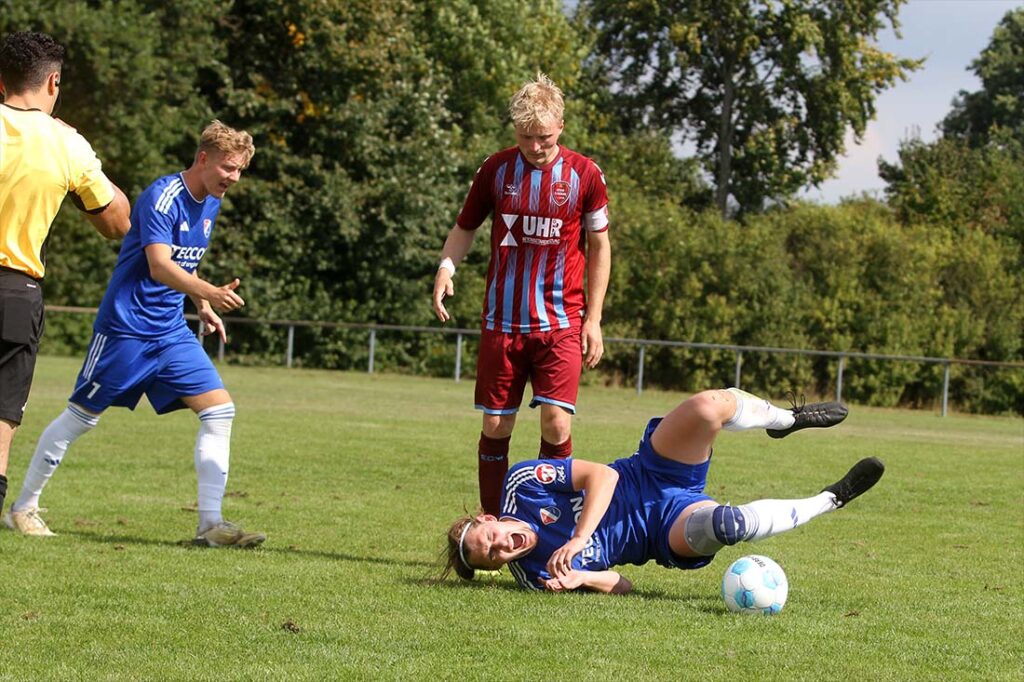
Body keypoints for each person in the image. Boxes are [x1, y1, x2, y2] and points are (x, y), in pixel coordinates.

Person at [3, 120, 264, 548]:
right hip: (127, 329)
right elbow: (161, 265)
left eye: (239, 171)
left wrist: (199, 304)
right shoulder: (162, 197)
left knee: (219, 411)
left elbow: (185, 261)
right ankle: (22, 508)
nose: (233, 178)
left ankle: (211, 525)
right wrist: (210, 293)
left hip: (170, 332)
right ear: (203, 159)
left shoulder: (212, 201)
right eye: (228, 168)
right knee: (80, 419)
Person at [443, 389, 883, 593]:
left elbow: (605, 477)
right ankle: (831, 499)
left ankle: (787, 421)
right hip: (661, 528)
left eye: (490, 539)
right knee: (726, 525)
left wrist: (578, 538)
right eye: (494, 558)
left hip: (648, 470)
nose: (502, 547)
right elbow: (626, 585)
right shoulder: (538, 578)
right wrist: (586, 578)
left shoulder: (521, 486)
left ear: (488, 519)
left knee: (709, 407)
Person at [432, 73, 612, 517]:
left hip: (561, 323)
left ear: (562, 128)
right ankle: (492, 521)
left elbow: (600, 247)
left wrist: (594, 319)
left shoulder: (585, 174)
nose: (535, 146)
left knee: (555, 422)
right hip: (503, 322)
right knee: (495, 424)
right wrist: (445, 268)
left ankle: (546, 522)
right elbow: (465, 228)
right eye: (526, 136)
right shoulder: (496, 169)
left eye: (544, 137)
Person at [0, 31, 131, 514]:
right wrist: (82, 157)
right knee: (0, 420)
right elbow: (118, 222)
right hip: (13, 291)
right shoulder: (65, 144)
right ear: (53, 81)